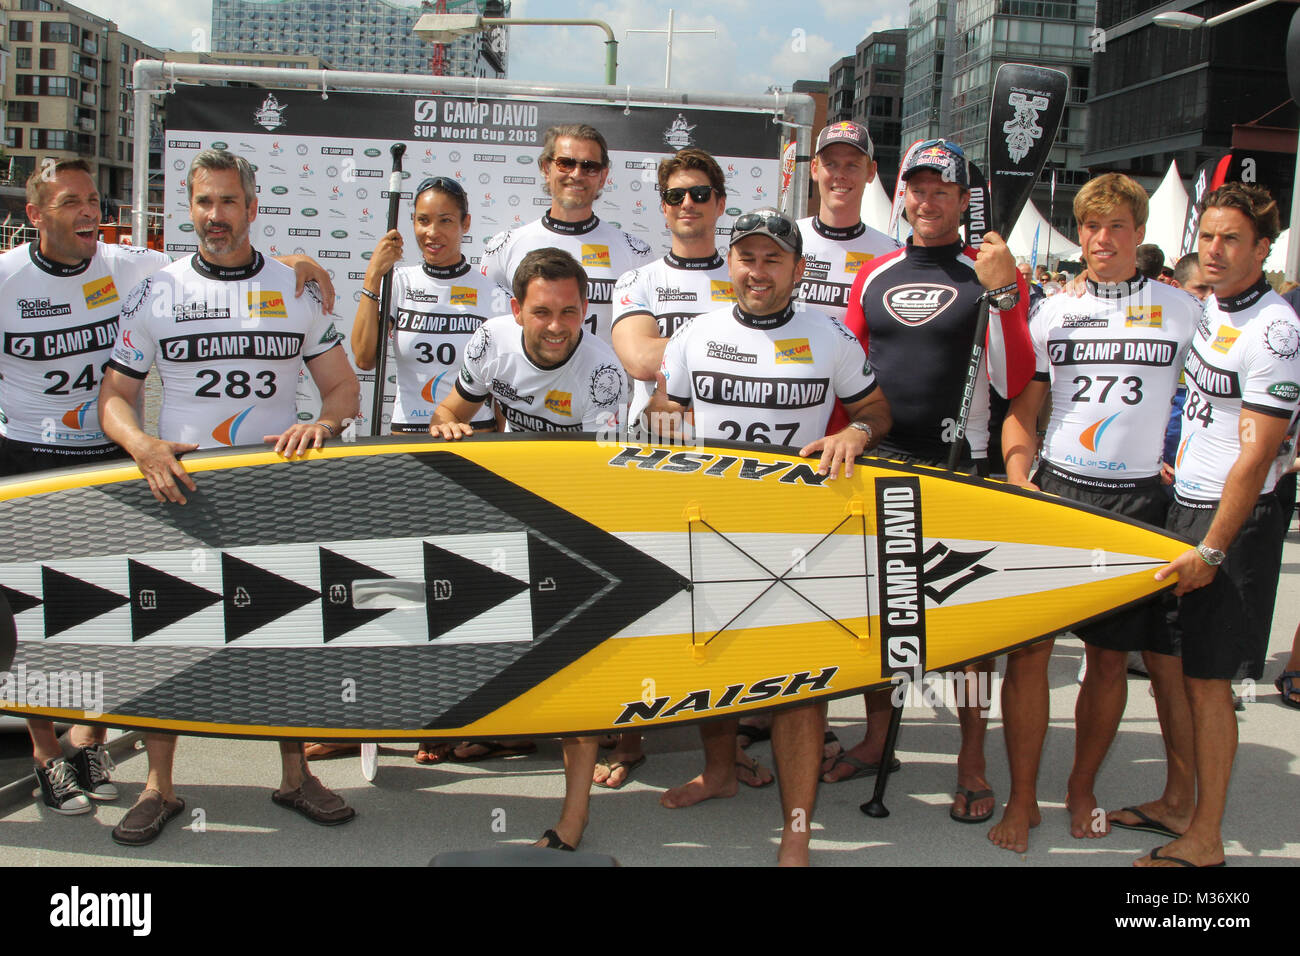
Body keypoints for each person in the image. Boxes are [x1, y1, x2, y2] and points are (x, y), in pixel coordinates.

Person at [0, 158, 334, 816]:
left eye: (93, 199)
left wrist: (299, 260)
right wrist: (143, 442)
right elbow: (120, 389)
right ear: (35, 215)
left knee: (114, 617)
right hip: (26, 455)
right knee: (27, 616)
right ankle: (48, 759)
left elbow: (230, 258)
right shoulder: (6, 279)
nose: (88, 212)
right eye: (71, 202)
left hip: (101, 456)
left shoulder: (132, 268)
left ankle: (92, 737)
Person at [97, 148, 360, 846]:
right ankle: (160, 787)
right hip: (181, 490)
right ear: (191, 207)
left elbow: (342, 388)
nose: (216, 217)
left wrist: (324, 422)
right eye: (204, 203)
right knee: (167, 636)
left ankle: (295, 775)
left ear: (252, 207)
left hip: (275, 494)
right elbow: (115, 397)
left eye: (228, 202)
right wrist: (144, 447)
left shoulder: (296, 289)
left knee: (292, 634)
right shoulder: (158, 291)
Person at [649, 207, 892, 865]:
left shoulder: (830, 336)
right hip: (711, 526)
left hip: (799, 535)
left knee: (799, 686)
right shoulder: (693, 336)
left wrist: (853, 433)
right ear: (731, 263)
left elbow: (875, 410)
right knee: (712, 662)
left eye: (772, 259)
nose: (758, 272)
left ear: (798, 269)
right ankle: (720, 772)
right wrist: (661, 428)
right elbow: (666, 410)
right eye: (747, 258)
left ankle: (797, 826)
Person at [823, 140, 1033, 833]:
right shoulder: (875, 273)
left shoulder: (993, 269)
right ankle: (880, 737)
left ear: (965, 199)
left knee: (967, 629)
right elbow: (849, 377)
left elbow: (1014, 378)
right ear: (903, 195)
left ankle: (971, 758)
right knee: (882, 618)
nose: (928, 199)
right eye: (917, 187)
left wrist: (1002, 294)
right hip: (885, 463)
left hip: (959, 464)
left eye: (943, 189)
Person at [996, 173, 1201, 853]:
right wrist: (1021, 479)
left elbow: (1217, 399)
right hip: (1060, 491)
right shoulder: (1053, 311)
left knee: (1108, 661)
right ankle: (1023, 796)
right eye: (1091, 226)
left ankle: (1081, 785)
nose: (1102, 238)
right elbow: (1023, 409)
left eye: (1116, 226)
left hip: (1137, 502)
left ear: (1141, 234)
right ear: (1079, 233)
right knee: (1028, 654)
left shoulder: (1182, 310)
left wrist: (1188, 460)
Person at [431, 246, 628, 851]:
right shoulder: (490, 342)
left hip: (584, 517)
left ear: (585, 308)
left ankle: (574, 817)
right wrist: (449, 426)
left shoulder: (603, 372)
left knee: (574, 664)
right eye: (542, 312)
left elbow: (607, 482)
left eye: (569, 312)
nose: (556, 326)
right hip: (512, 511)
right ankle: (496, 726)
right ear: (516, 309)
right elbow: (450, 408)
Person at [1135, 183, 1300, 867]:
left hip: (1234, 521)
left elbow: (1259, 452)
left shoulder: (1276, 329)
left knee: (1208, 682)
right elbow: (1205, 400)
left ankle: (1205, 839)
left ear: (1264, 249)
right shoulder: (1211, 304)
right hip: (1188, 501)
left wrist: (1210, 546)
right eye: (1207, 237)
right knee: (1170, 662)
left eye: (1232, 240)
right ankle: (1178, 801)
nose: (1214, 251)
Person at [317, 175, 503, 766]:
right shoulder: (398, 281)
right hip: (405, 440)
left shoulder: (491, 290)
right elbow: (366, 357)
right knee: (391, 584)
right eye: (424, 220)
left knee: (455, 586)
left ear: (465, 224)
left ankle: (444, 719)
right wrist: (374, 279)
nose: (433, 231)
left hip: (470, 445)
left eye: (446, 220)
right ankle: (364, 716)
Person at [598, 147, 744, 789]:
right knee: (640, 599)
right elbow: (636, 357)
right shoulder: (639, 279)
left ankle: (726, 752)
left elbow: (668, 352)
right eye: (677, 194)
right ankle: (627, 740)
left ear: (719, 201)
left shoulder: (745, 272)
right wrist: (731, 350)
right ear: (662, 206)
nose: (689, 204)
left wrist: (681, 350)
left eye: (701, 193)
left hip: (731, 467)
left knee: (722, 611)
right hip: (653, 461)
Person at [481, 124, 655, 348]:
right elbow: (493, 336)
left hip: (604, 381)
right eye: (566, 163)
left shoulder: (635, 253)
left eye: (589, 167)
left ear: (602, 177)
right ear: (546, 168)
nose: (576, 174)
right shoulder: (504, 247)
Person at [794, 121, 901, 323]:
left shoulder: (892, 254)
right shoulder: (787, 239)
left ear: (871, 172)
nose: (840, 175)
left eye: (852, 165)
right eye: (831, 164)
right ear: (815, 169)